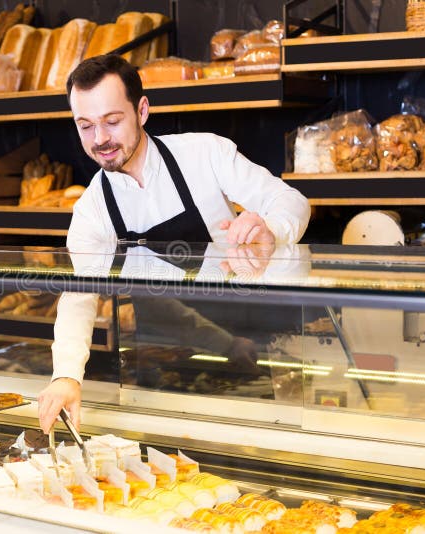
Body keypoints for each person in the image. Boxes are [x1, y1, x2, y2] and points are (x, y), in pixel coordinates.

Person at [37, 54, 309, 433]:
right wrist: (66, 375)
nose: (100, 139)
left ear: (142, 111)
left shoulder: (204, 154)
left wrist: (270, 229)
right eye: (85, 126)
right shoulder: (91, 212)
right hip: (162, 366)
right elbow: (80, 296)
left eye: (112, 122)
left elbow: (291, 201)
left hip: (254, 350)